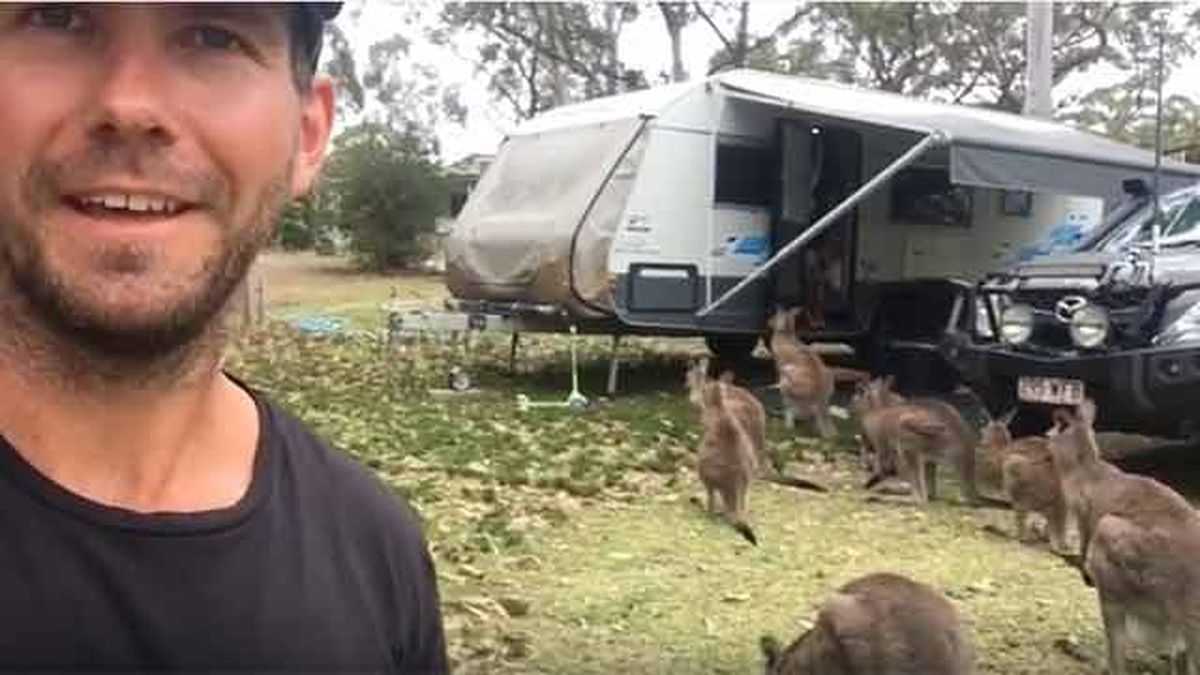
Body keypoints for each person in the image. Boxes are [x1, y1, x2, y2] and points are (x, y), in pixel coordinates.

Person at [0, 3, 448, 671]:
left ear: (309, 135)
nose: (129, 104)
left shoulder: (373, 550)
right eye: (60, 19)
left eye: (215, 37)